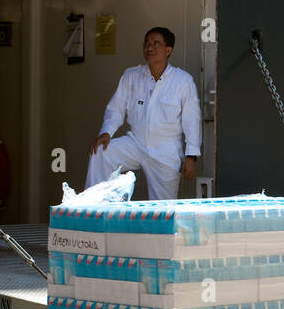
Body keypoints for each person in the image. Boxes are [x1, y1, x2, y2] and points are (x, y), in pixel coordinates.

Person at [86, 27, 201, 200]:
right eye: (146, 44)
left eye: (156, 44)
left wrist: (191, 156)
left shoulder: (183, 80)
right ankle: (93, 212)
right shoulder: (131, 75)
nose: (150, 48)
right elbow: (116, 108)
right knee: (101, 153)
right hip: (135, 142)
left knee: (164, 209)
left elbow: (192, 120)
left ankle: (160, 226)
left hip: (166, 150)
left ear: (168, 50)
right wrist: (106, 132)